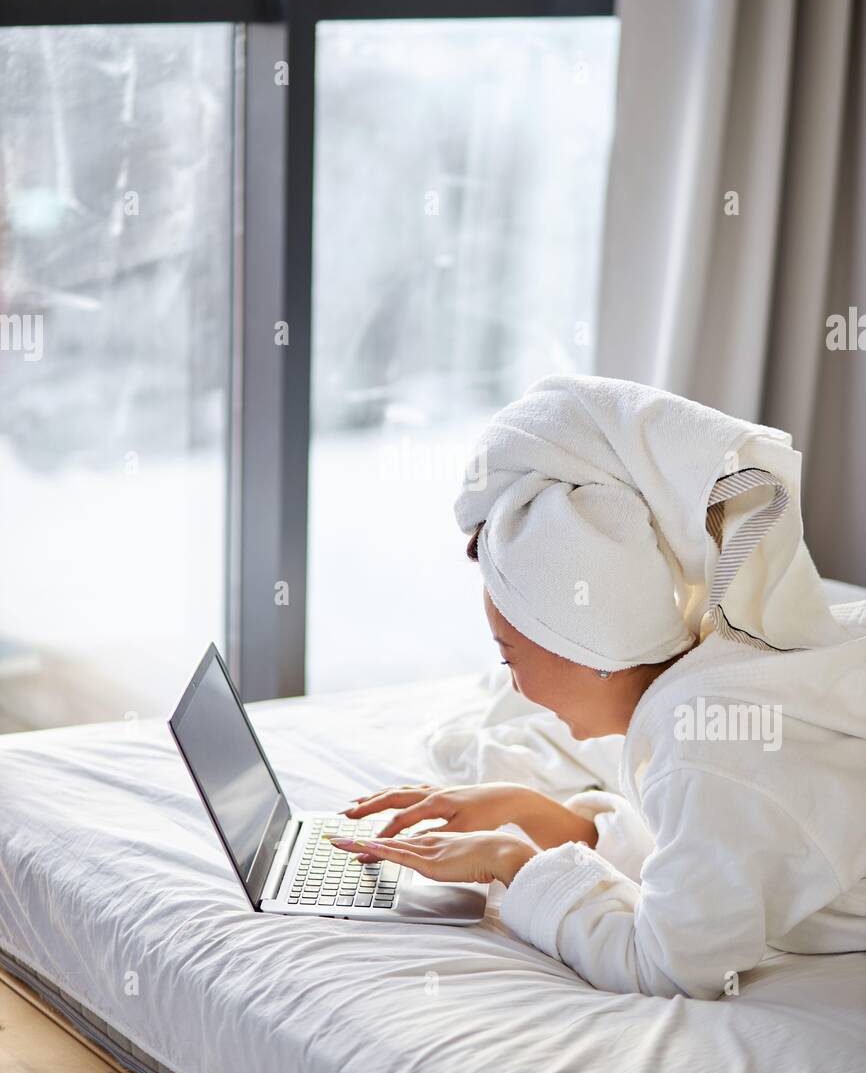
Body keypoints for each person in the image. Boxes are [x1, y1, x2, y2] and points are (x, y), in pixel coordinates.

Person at [331, 376, 866, 999]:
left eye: (509, 658)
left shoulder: (707, 747)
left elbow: (670, 966)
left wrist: (510, 862)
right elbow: (710, 857)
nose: (516, 688)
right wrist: (536, 812)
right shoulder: (711, 685)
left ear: (582, 646)